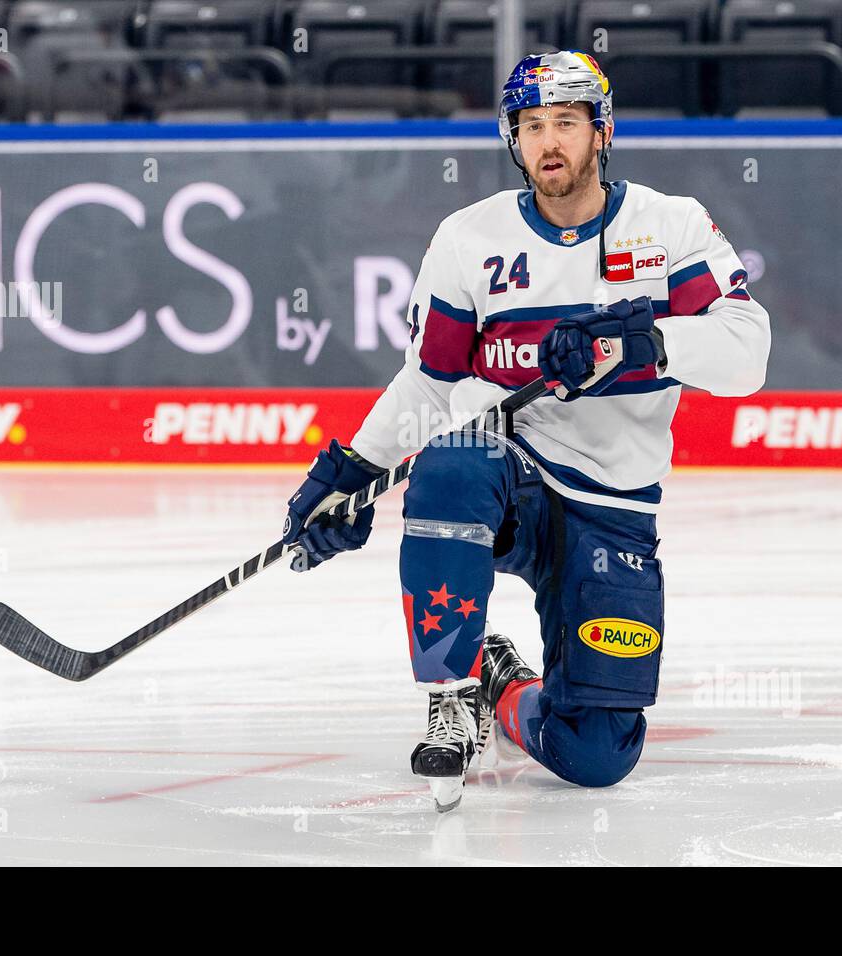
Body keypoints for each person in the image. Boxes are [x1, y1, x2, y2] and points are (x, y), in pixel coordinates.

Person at [281, 50, 771, 811]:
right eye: (532, 125)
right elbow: (429, 379)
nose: (548, 142)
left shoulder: (670, 227)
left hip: (613, 506)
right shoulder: (468, 239)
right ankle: (449, 691)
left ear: (601, 133)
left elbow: (748, 354)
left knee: (596, 754)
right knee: (452, 461)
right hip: (509, 474)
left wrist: (645, 343)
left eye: (566, 123)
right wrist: (352, 468)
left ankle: (500, 683)